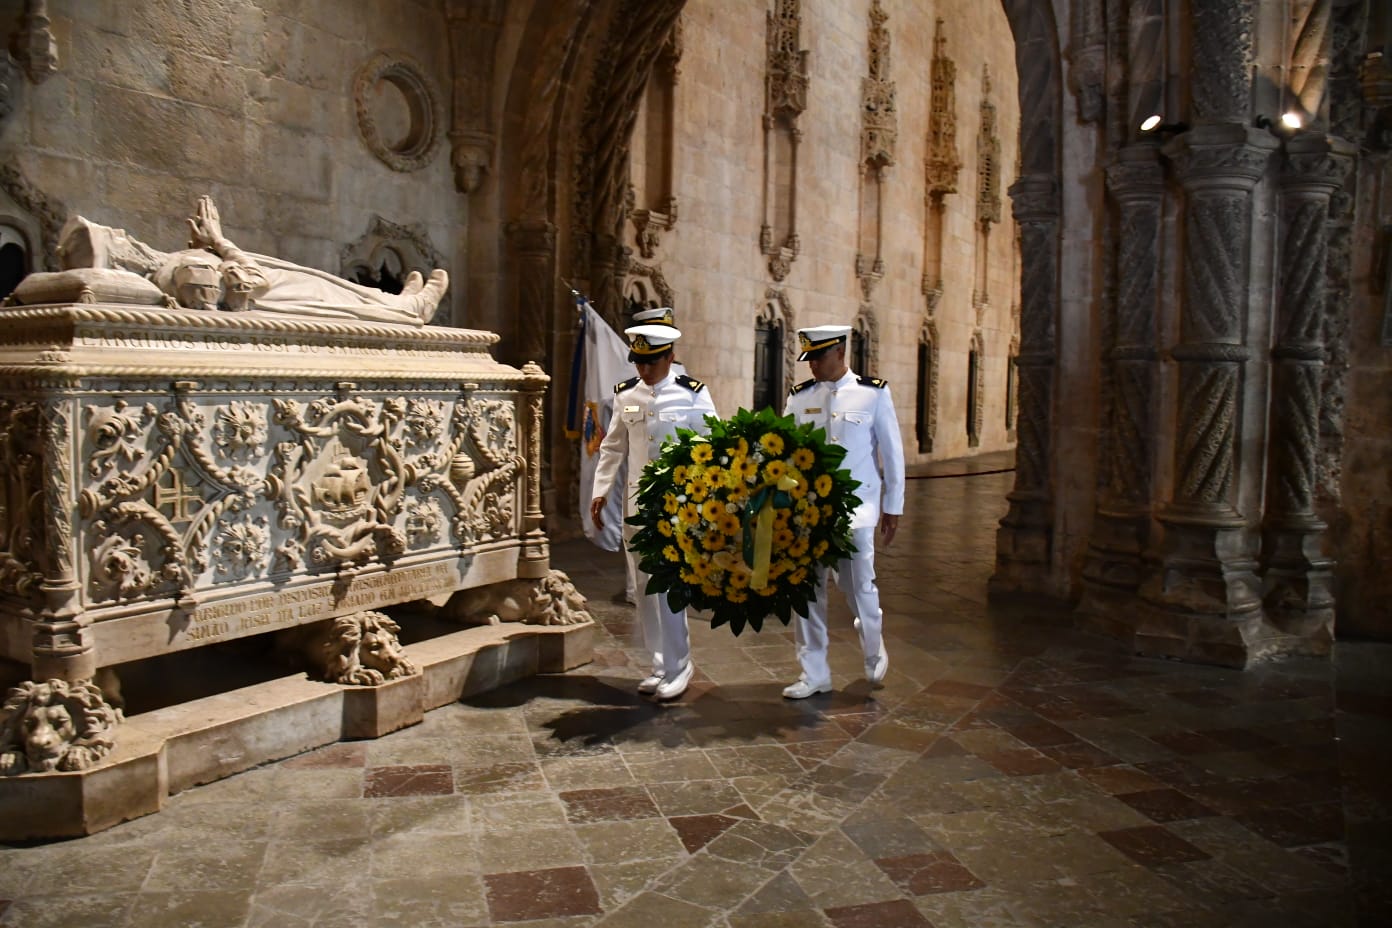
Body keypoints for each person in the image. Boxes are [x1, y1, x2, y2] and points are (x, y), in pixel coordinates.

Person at [55, 196, 449, 325]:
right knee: (337, 300)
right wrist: (220, 242)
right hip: (276, 298)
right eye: (116, 238)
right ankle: (410, 308)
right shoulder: (173, 273)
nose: (125, 235)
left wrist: (208, 248)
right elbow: (249, 284)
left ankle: (398, 302)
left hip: (274, 291)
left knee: (339, 291)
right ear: (121, 257)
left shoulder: (167, 269)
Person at [591, 322, 717, 699]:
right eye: (639, 362)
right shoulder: (627, 395)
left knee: (670, 585)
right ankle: (660, 663)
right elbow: (613, 447)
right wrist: (601, 491)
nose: (644, 370)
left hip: (678, 508)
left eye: (651, 362)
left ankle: (679, 665)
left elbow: (711, 447)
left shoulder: (692, 394)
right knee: (644, 587)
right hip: (636, 506)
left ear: (670, 357)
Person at [781, 324, 905, 698]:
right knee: (807, 590)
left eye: (819, 357)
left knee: (858, 586)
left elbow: (892, 452)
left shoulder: (872, 394)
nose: (813, 365)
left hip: (857, 508)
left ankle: (873, 647)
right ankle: (814, 673)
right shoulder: (800, 397)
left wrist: (893, 506)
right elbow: (785, 452)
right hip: (810, 511)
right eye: (809, 358)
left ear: (839, 353)